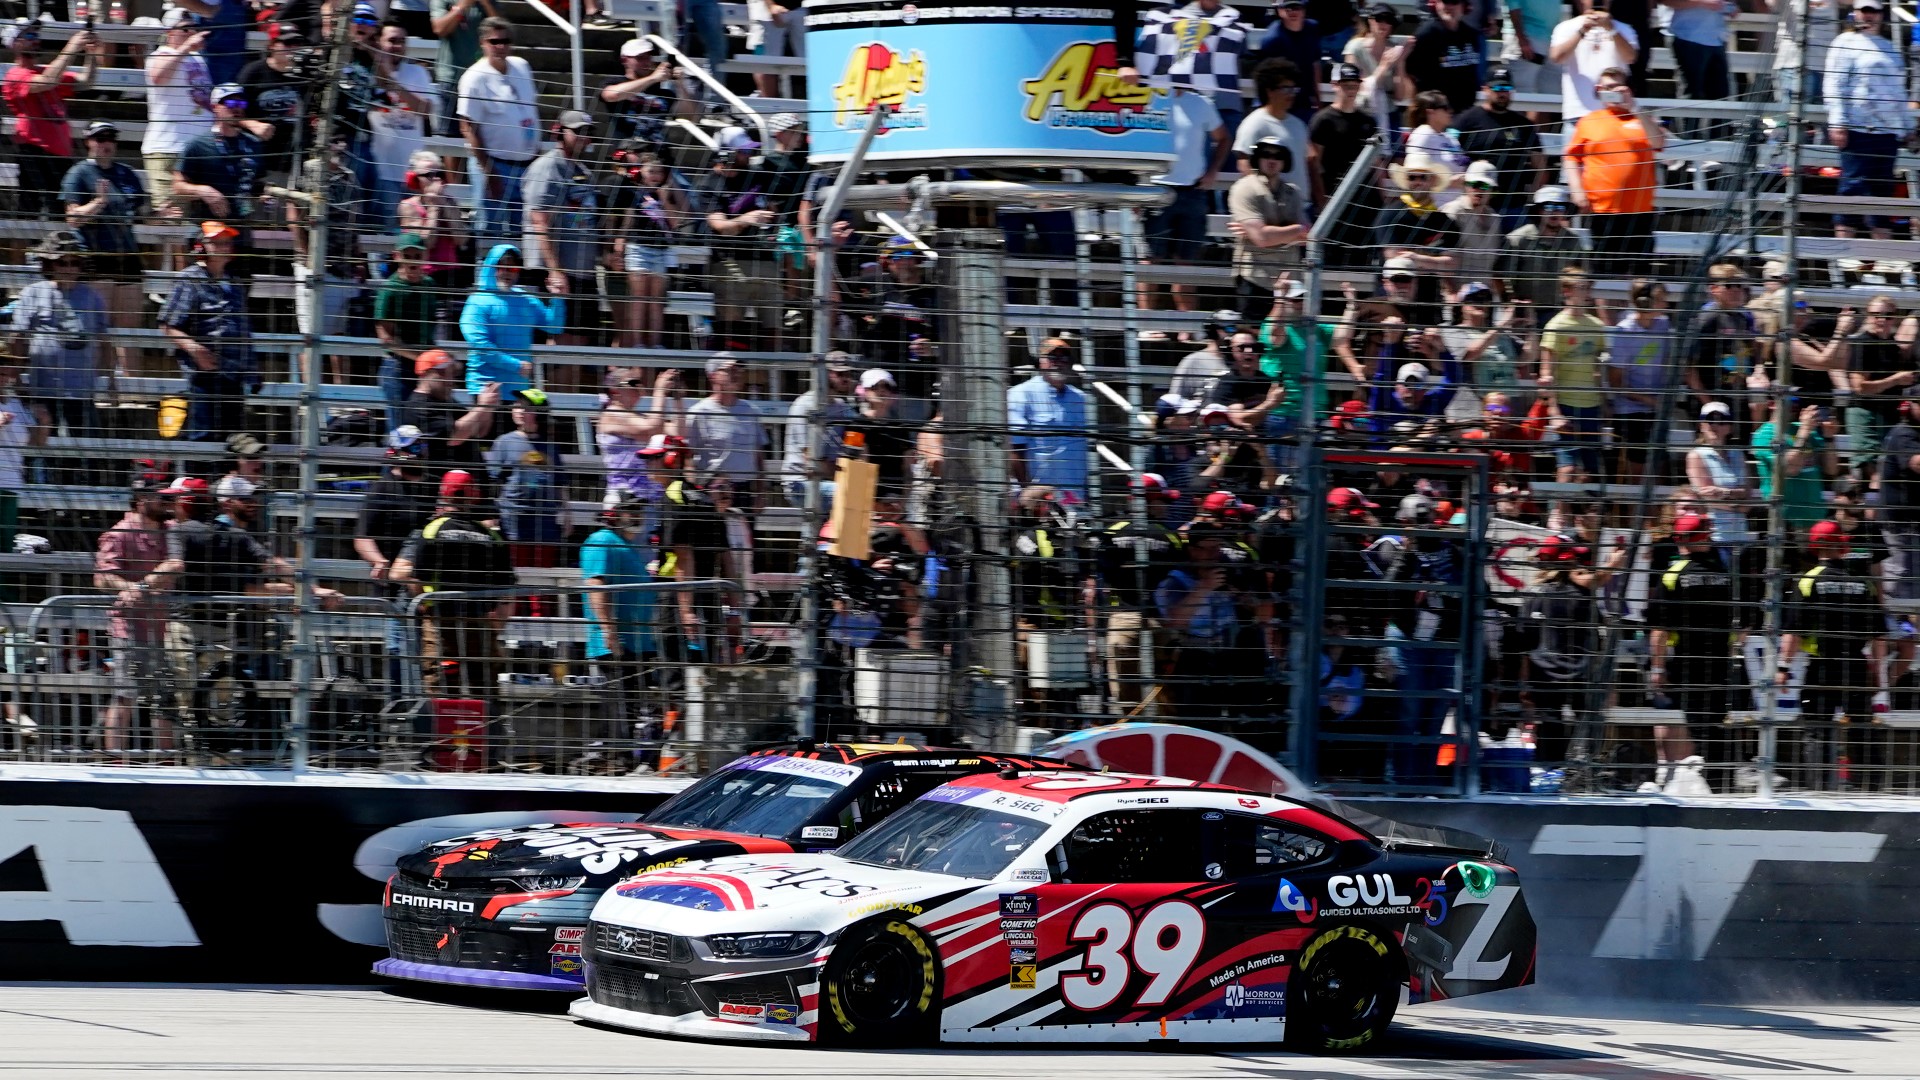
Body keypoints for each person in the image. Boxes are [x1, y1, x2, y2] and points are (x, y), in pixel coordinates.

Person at [391, 469, 516, 701]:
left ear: (444, 495)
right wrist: (494, 618)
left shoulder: (433, 530)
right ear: (473, 496)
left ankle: (443, 724)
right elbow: (506, 585)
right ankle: (486, 723)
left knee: (441, 688)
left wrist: (425, 605)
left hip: (441, 620)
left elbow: (417, 578)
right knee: (484, 689)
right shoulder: (491, 536)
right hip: (478, 621)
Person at [1781, 518, 1888, 790]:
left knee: (1817, 729)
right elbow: (1878, 635)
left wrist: (1783, 667)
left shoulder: (1808, 581)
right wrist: (1877, 672)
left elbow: (1793, 633)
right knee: (1862, 727)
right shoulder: (1864, 583)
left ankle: (1820, 788)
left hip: (1823, 667)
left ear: (1815, 548)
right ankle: (1871, 788)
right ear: (1842, 547)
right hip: (1855, 664)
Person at [1645, 510, 1739, 790]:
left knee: (1691, 722)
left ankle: (1696, 783)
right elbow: (1739, 624)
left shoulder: (1673, 576)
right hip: (1720, 661)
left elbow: (1659, 630)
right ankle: (1721, 783)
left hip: (1687, 661)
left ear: (1679, 540)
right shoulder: (1725, 575)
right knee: (1718, 723)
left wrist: (1658, 667)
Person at [95, 474, 175, 757]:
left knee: (163, 697)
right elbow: (102, 578)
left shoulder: (170, 530)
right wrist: (130, 588)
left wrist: (141, 586)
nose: (167, 502)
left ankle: (166, 761)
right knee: (126, 695)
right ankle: (117, 760)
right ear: (142, 500)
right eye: (161, 498)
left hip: (164, 627)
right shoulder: (120, 533)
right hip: (129, 628)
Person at [159, 222, 254, 445]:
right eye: (217, 242)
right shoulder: (190, 279)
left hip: (233, 374)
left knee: (234, 441)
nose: (224, 247)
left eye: (226, 242)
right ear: (201, 246)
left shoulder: (235, 282)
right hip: (204, 375)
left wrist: (252, 371)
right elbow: (168, 324)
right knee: (202, 439)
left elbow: (243, 330)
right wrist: (195, 349)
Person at [354, 434, 436, 691]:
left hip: (431, 587)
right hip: (396, 589)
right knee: (401, 651)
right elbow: (362, 537)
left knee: (430, 655)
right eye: (413, 447)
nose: (420, 452)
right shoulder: (382, 489)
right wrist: (379, 561)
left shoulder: (433, 486)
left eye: (422, 446)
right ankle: (401, 707)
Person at [11, 232, 107, 449]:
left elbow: (105, 340)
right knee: (42, 449)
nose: (69, 268)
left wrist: (109, 379)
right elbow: (17, 338)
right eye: (62, 262)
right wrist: (16, 379)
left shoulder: (92, 296)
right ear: (49, 264)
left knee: (89, 450)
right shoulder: (32, 293)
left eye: (75, 263)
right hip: (43, 390)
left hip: (82, 392)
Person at [1825, 0, 1911, 242]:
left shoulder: (1889, 47)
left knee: (1882, 193)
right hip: (1857, 128)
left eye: (1873, 11)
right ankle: (1844, 250)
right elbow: (1834, 84)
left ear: (1881, 15)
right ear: (1855, 13)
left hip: (1886, 132)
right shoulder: (1844, 42)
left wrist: (1907, 126)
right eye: (1864, 11)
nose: (1868, 16)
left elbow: (1899, 92)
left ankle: (1880, 252)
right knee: (1851, 190)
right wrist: (1837, 122)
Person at [1565, 68, 1664, 274]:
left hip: (1640, 211)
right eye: (1605, 88)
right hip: (1603, 211)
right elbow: (1571, 157)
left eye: (1616, 87)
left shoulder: (1641, 119)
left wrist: (1634, 107)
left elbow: (1658, 142)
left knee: (1641, 276)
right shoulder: (1589, 121)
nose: (1610, 92)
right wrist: (1577, 190)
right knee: (1606, 272)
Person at [1142, 87, 1229, 322]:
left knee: (1186, 262)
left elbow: (1223, 138)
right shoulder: (1146, 98)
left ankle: (1187, 326)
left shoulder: (1201, 102)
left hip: (1193, 191)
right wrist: (1139, 182)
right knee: (1150, 259)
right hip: (1155, 188)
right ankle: (1146, 323)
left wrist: (1212, 172)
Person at [521, 110, 604, 354]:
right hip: (556, 272)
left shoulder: (583, 171)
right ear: (559, 131)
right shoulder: (547, 167)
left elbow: (583, 217)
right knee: (559, 343)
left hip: (581, 270)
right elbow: (539, 222)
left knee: (579, 346)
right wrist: (555, 271)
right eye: (578, 131)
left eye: (588, 132)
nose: (585, 137)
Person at [695, 127, 784, 349]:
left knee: (773, 328)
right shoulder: (709, 184)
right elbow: (720, 226)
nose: (748, 155)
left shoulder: (758, 175)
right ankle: (733, 368)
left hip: (766, 260)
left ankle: (770, 370)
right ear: (726, 153)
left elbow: (774, 209)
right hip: (730, 263)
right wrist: (748, 219)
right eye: (743, 151)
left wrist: (772, 215)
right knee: (732, 330)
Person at [1518, 539, 1601, 769]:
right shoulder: (1584, 595)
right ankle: (1581, 772)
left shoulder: (1534, 594)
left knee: (1549, 724)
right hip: (1580, 673)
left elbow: (1525, 639)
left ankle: (1549, 770)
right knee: (1584, 725)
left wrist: (1524, 680)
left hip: (1544, 673)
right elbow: (1595, 635)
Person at [2, 21, 99, 217]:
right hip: (34, 152)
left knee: (60, 214)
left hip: (60, 155)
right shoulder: (15, 75)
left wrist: (91, 53)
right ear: (16, 44)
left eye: (36, 35)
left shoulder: (46, 71)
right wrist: (72, 46)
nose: (35, 40)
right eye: (30, 36)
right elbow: (47, 81)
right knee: (29, 213)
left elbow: (86, 82)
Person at [458, 18, 541, 242]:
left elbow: (531, 111)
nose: (501, 46)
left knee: (525, 236)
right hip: (495, 165)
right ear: (482, 43)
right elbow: (467, 127)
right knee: (489, 234)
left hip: (527, 166)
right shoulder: (474, 77)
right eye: (494, 41)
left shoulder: (522, 66)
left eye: (506, 41)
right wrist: (489, 171)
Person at [581, 491, 658, 729]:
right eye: (631, 511)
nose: (638, 516)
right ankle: (616, 749)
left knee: (630, 711)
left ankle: (624, 748)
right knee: (620, 710)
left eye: (640, 511)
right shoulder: (601, 541)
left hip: (636, 643)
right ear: (613, 514)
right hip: (617, 643)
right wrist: (608, 629)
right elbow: (596, 584)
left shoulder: (627, 545)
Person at [487, 388, 569, 595]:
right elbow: (494, 481)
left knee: (542, 584)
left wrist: (567, 514)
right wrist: (492, 514)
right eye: (517, 406)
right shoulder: (504, 442)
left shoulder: (550, 446)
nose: (519, 410)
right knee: (516, 577)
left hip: (545, 525)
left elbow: (560, 483)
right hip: (514, 523)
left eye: (525, 407)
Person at [459, 244, 563, 400]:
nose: (508, 272)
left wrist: (557, 297)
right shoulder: (477, 301)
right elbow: (480, 345)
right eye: (503, 267)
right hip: (487, 390)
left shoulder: (526, 300)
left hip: (518, 391)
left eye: (513, 268)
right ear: (492, 267)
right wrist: (515, 365)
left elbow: (554, 326)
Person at [1538, 268, 1609, 486]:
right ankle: (1558, 506)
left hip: (1591, 406)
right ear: (1567, 291)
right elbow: (1546, 373)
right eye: (1581, 287)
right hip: (1565, 404)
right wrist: (1554, 412)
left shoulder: (1596, 326)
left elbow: (1598, 367)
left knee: (1590, 468)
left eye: (1588, 287)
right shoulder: (1555, 326)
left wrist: (1604, 403)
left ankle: (1587, 508)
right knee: (1567, 466)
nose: (1586, 292)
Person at [1227, 137, 1308, 324]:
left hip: (1290, 280)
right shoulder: (1244, 188)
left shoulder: (1292, 192)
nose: (1272, 160)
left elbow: (1307, 237)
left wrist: (1269, 232)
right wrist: (1295, 229)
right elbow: (1262, 238)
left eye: (1278, 156)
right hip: (1256, 278)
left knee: (1289, 336)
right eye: (1266, 154)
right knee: (1253, 335)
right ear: (1257, 158)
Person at [1453, 69, 1546, 232]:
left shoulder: (1523, 124)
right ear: (1485, 89)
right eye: (1497, 88)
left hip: (1513, 206)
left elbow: (1540, 164)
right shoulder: (1466, 120)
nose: (1502, 93)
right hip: (1476, 206)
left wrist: (1532, 198)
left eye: (1507, 89)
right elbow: (1450, 155)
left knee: (1515, 247)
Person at [612, 151, 687, 349]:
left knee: (656, 300)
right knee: (639, 297)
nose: (655, 175)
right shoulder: (634, 192)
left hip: (661, 250)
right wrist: (619, 245)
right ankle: (637, 342)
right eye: (651, 171)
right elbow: (627, 221)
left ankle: (655, 343)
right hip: (638, 248)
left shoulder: (667, 194)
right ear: (641, 171)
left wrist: (665, 199)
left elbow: (675, 223)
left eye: (659, 172)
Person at [366, 19, 437, 227]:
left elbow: (425, 111)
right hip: (381, 172)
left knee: (413, 234)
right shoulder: (367, 73)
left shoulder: (418, 73)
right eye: (392, 40)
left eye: (402, 41)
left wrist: (394, 85)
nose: (397, 46)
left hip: (413, 173)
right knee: (384, 234)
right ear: (379, 42)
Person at [143, 11, 214, 218]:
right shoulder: (161, 54)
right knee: (173, 220)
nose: (192, 33)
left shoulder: (198, 58)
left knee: (201, 223)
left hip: (198, 150)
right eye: (185, 29)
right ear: (169, 32)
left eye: (194, 28)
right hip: (169, 149)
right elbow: (158, 76)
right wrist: (185, 47)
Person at [1605, 278, 1673, 482]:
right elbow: (1615, 382)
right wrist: (1649, 400)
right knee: (1639, 473)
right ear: (1644, 302)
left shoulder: (1663, 324)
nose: (1665, 304)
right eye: (1660, 300)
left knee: (1660, 470)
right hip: (1631, 412)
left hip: (1656, 410)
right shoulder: (1624, 331)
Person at [1008, 341, 1093, 503]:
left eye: (1064, 358)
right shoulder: (1020, 395)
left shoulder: (1081, 399)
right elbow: (1015, 449)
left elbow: (1085, 451)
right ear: (1040, 361)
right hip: (1039, 499)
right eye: (1052, 357)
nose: (1058, 363)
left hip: (1074, 497)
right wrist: (1027, 492)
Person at [172, 83, 263, 229]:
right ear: (215, 107)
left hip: (241, 226)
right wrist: (202, 191)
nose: (237, 108)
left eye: (241, 103)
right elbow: (177, 186)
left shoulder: (253, 144)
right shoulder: (198, 145)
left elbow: (257, 183)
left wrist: (264, 195)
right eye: (231, 103)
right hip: (206, 227)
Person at [1843, 294, 1913, 475]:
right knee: (1871, 472)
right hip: (1865, 414)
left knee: (1890, 470)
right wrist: (1895, 380)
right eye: (1876, 315)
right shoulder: (1862, 342)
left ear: (1894, 319)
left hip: (1889, 416)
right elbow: (1860, 387)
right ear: (1868, 315)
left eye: (1888, 316)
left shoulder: (1894, 347)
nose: (1882, 320)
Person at [374, 234, 439, 428]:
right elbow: (386, 339)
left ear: (425, 257)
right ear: (397, 257)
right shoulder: (390, 290)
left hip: (426, 367)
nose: (412, 261)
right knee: (401, 432)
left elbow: (432, 326)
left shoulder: (429, 285)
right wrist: (421, 356)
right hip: (398, 368)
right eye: (407, 256)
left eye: (417, 256)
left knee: (425, 428)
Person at [1235, 59, 1317, 207]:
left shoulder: (1298, 125)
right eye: (1285, 89)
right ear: (1269, 91)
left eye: (1293, 89)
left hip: (1302, 206)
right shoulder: (1255, 123)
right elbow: (1244, 162)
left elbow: (1308, 163)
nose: (1291, 94)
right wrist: (1267, 198)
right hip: (1272, 208)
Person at [685, 354, 767, 497]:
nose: (737, 374)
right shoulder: (699, 412)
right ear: (713, 376)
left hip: (745, 491)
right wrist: (694, 492)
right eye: (730, 370)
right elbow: (688, 457)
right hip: (712, 491)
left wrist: (761, 494)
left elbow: (758, 456)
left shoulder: (751, 411)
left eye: (739, 370)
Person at [1753, 405, 1843, 536]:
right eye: (1791, 400)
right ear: (1773, 404)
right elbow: (1790, 468)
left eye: (1797, 401)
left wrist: (1829, 437)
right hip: (1786, 521)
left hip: (1815, 517)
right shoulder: (1765, 433)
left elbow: (1832, 469)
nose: (1794, 404)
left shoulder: (1804, 428)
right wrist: (1804, 430)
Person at [783, 353, 857, 508]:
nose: (846, 378)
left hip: (829, 479)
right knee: (853, 494)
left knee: (862, 491)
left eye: (849, 374)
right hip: (801, 483)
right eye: (840, 374)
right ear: (825, 374)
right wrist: (845, 475)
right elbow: (811, 459)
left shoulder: (843, 407)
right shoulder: (805, 406)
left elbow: (860, 434)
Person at [234, 26, 307, 183]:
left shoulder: (304, 74)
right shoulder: (253, 72)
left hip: (294, 157)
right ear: (272, 45)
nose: (293, 48)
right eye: (287, 43)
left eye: (297, 43)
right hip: (260, 155)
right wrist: (252, 124)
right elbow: (231, 109)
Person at [1500, 185, 1587, 312]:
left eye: (1560, 208)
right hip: (1525, 312)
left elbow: (1584, 275)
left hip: (1562, 312)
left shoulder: (1574, 242)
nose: (1554, 212)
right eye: (1548, 207)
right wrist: (1512, 306)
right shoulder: (1518, 240)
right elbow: (1502, 278)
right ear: (1539, 210)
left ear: (1565, 212)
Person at [598, 366, 679, 503]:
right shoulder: (612, 414)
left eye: (639, 382)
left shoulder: (638, 417)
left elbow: (678, 432)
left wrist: (678, 397)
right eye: (632, 383)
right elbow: (651, 430)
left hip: (650, 497)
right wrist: (660, 391)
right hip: (625, 498)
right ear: (615, 391)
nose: (638, 387)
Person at [1548, 0, 1639, 121]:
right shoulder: (1566, 27)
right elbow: (1557, 57)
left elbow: (1630, 57)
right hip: (1578, 112)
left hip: (1616, 112)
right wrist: (1582, 32)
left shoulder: (1624, 29)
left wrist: (1612, 29)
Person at [398, 351, 490, 469]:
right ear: (424, 374)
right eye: (442, 373)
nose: (450, 380)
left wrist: (489, 405)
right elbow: (455, 437)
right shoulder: (417, 407)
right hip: (443, 478)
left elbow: (479, 430)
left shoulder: (446, 400)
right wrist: (483, 406)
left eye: (452, 374)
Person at [1685, 400, 1755, 546]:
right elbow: (1706, 498)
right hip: (1713, 537)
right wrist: (1739, 505)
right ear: (1701, 425)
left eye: (1721, 421)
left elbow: (1748, 493)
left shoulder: (1737, 454)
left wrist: (1722, 492)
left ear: (1729, 427)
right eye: (1710, 420)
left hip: (1740, 535)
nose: (1715, 425)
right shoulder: (1696, 455)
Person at [1877, 390, 1920, 623]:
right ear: (1908, 406)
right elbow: (1917, 463)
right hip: (1902, 523)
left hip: (1910, 523)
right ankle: (1896, 628)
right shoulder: (1905, 433)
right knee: (1904, 578)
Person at [430, 0, 500, 137]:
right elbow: (439, 29)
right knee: (446, 139)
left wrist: (486, 4)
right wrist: (462, 6)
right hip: (450, 79)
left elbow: (500, 32)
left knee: (480, 137)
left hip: (482, 80)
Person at [396, 151, 467, 280]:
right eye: (429, 175)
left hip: (451, 272)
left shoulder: (449, 202)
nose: (435, 179)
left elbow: (461, 239)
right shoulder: (408, 206)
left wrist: (443, 203)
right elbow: (426, 243)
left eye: (439, 174)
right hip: (423, 275)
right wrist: (434, 207)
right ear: (416, 179)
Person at [1402, 0, 1483, 112]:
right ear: (1435, 4)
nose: (1449, 6)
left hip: (1465, 110)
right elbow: (1410, 75)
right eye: (1445, 1)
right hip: (1435, 112)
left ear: (1464, 6)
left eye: (1454, 2)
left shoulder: (1471, 35)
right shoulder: (1426, 35)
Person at [1254, 0, 1324, 121]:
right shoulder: (1272, 40)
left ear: (1304, 10)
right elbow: (1265, 78)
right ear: (1280, 11)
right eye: (1288, 8)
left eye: (1297, 8)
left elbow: (1315, 64)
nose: (1293, 12)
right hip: (1279, 102)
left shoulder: (1312, 28)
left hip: (1304, 101)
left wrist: (1318, 98)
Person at [1662, 0, 1730, 105]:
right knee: (1693, 94)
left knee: (1720, 96)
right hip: (1689, 37)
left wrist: (1730, 7)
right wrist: (1703, 3)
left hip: (1717, 40)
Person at [1445, 161, 1504, 282]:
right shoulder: (1453, 212)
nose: (1480, 190)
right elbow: (1442, 258)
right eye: (1475, 185)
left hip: (1485, 290)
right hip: (1458, 290)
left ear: (1492, 190)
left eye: (1485, 186)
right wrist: (1450, 290)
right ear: (1466, 185)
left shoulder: (1495, 219)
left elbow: (1493, 265)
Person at [170, 0, 254, 84]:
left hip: (234, 14)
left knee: (233, 82)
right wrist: (209, 11)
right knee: (213, 82)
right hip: (214, 19)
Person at [1404, 91, 1468, 178]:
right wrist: (1450, 182)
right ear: (1430, 112)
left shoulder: (1449, 137)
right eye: (1445, 107)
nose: (1450, 111)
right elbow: (1414, 172)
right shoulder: (1423, 134)